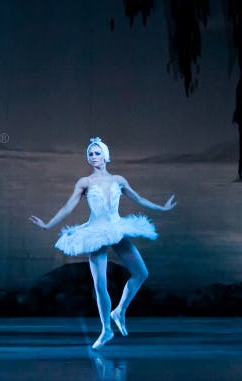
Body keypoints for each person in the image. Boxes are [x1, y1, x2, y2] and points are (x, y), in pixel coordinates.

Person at [29, 137, 177, 350]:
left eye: (97, 153)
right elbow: (68, 207)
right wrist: (47, 224)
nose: (93, 157)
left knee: (142, 273)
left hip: (116, 228)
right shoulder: (85, 182)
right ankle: (106, 328)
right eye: (90, 154)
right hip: (96, 232)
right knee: (100, 284)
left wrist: (162, 208)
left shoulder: (119, 179)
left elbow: (139, 199)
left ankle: (119, 311)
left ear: (105, 155)